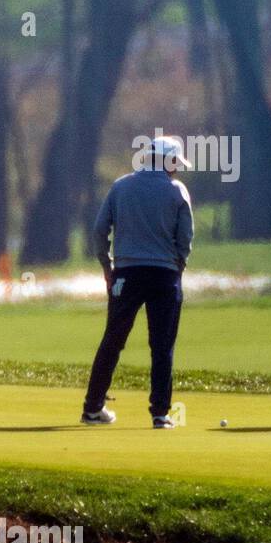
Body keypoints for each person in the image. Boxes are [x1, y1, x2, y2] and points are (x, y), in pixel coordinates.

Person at [82, 136, 194, 429]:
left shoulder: (121, 187)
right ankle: (160, 414)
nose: (177, 169)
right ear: (167, 161)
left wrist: (107, 265)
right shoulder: (177, 191)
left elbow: (99, 230)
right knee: (162, 346)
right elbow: (185, 239)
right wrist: (178, 266)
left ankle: (92, 408)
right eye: (176, 163)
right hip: (164, 276)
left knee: (112, 341)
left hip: (126, 274)